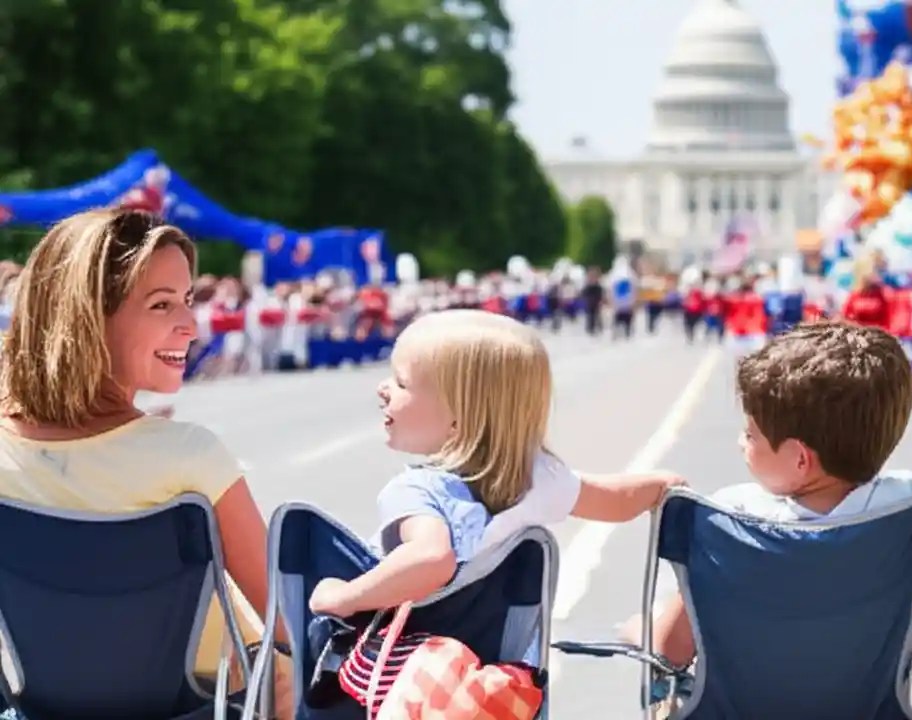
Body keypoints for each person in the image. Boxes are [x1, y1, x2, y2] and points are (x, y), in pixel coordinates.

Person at [0, 208, 290, 712]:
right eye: (161, 306)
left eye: (188, 301)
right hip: (200, 703)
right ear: (87, 314)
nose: (191, 326)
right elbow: (283, 617)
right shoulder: (189, 456)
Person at [622, 321, 912, 668]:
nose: (741, 443)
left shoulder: (727, 517)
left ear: (800, 459)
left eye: (751, 434)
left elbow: (671, 652)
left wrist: (640, 631)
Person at [308, 310, 683, 619]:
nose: (383, 387)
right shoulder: (539, 477)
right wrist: (663, 486)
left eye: (402, 383)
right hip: (494, 685)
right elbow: (614, 500)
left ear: (459, 420)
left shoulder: (416, 493)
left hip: (413, 682)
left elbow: (431, 558)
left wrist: (346, 597)